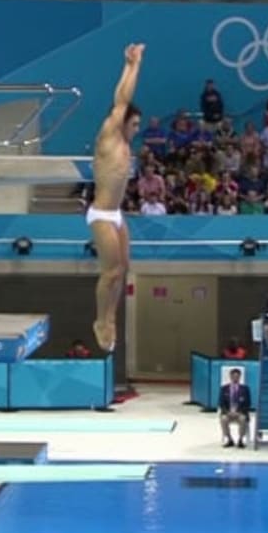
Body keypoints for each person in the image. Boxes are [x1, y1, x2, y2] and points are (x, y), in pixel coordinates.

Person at [88, 43, 145, 352]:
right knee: (109, 271)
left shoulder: (126, 145)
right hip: (100, 213)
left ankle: (110, 318)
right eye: (134, 124)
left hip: (117, 213)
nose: (137, 128)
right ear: (121, 121)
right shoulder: (110, 133)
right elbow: (122, 100)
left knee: (123, 271)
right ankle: (100, 319)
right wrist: (132, 65)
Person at [218, 368, 252, 448]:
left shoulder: (245, 389)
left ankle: (240, 440)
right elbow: (221, 403)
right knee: (223, 419)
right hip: (228, 412)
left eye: (237, 376)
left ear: (240, 377)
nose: (235, 378)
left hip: (240, 413)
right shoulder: (224, 388)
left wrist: (239, 412)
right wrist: (227, 412)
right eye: (233, 376)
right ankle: (230, 439)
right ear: (230, 376)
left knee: (243, 419)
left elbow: (248, 404)